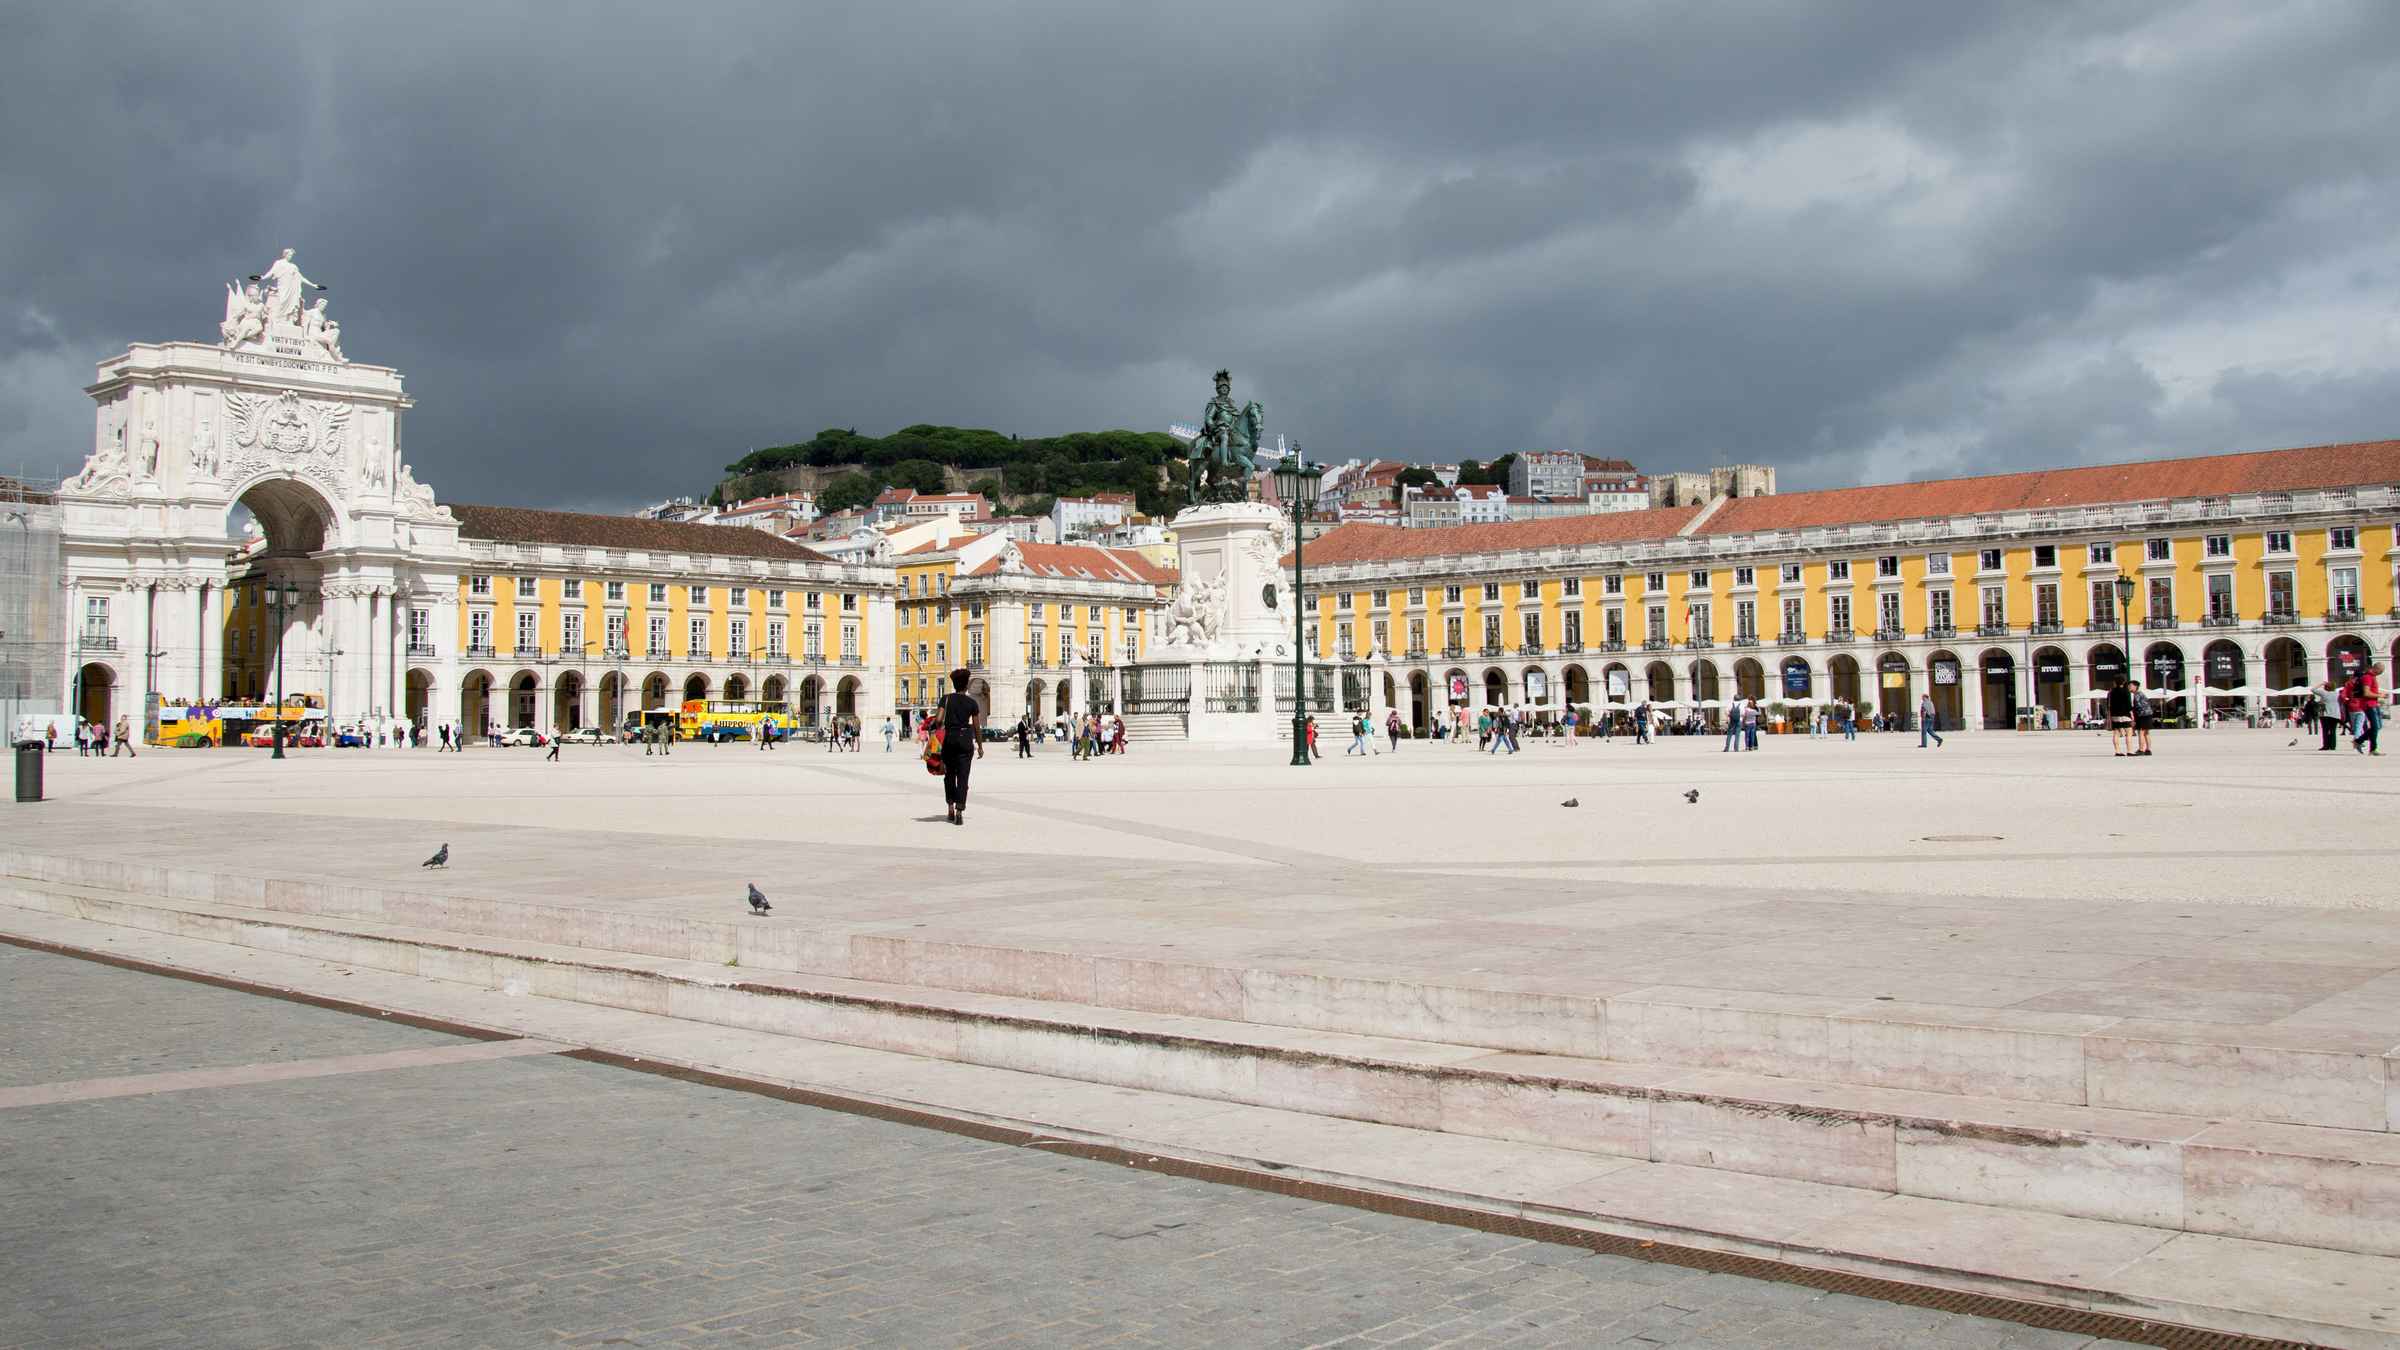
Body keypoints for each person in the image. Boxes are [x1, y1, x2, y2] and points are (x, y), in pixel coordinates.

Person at [937, 667, 983, 825]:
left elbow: (938, 719)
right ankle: (959, 810)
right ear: (966, 685)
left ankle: (950, 806)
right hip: (965, 739)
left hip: (950, 738)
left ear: (954, 684)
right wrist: (980, 746)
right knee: (963, 777)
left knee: (949, 775)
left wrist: (936, 727)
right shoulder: (972, 703)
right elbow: (977, 726)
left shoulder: (946, 699)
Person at [2352, 663, 2385, 756]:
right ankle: (2371, 748)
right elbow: (2366, 693)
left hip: (2373, 704)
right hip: (2369, 705)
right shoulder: (2367, 677)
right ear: (2376, 669)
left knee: (2377, 727)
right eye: (2381, 671)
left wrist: (2378, 695)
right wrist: (2380, 695)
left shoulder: (2372, 677)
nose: (2381, 673)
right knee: (2375, 727)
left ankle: (2359, 742)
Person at [2107, 680, 2134, 756]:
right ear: (2123, 682)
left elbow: (2109, 704)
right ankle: (2129, 750)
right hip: (2125, 714)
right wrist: (2131, 713)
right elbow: (2128, 704)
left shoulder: (2111, 692)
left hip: (2114, 715)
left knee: (2116, 733)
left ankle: (2117, 751)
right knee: (2129, 732)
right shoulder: (2126, 691)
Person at [2317, 679, 2343, 752]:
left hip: (2326, 714)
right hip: (2336, 715)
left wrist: (2321, 683)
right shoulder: (2338, 694)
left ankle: (2326, 746)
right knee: (2333, 731)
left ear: (2327, 687)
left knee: (2325, 731)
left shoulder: (2324, 693)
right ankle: (2333, 746)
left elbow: (2313, 689)